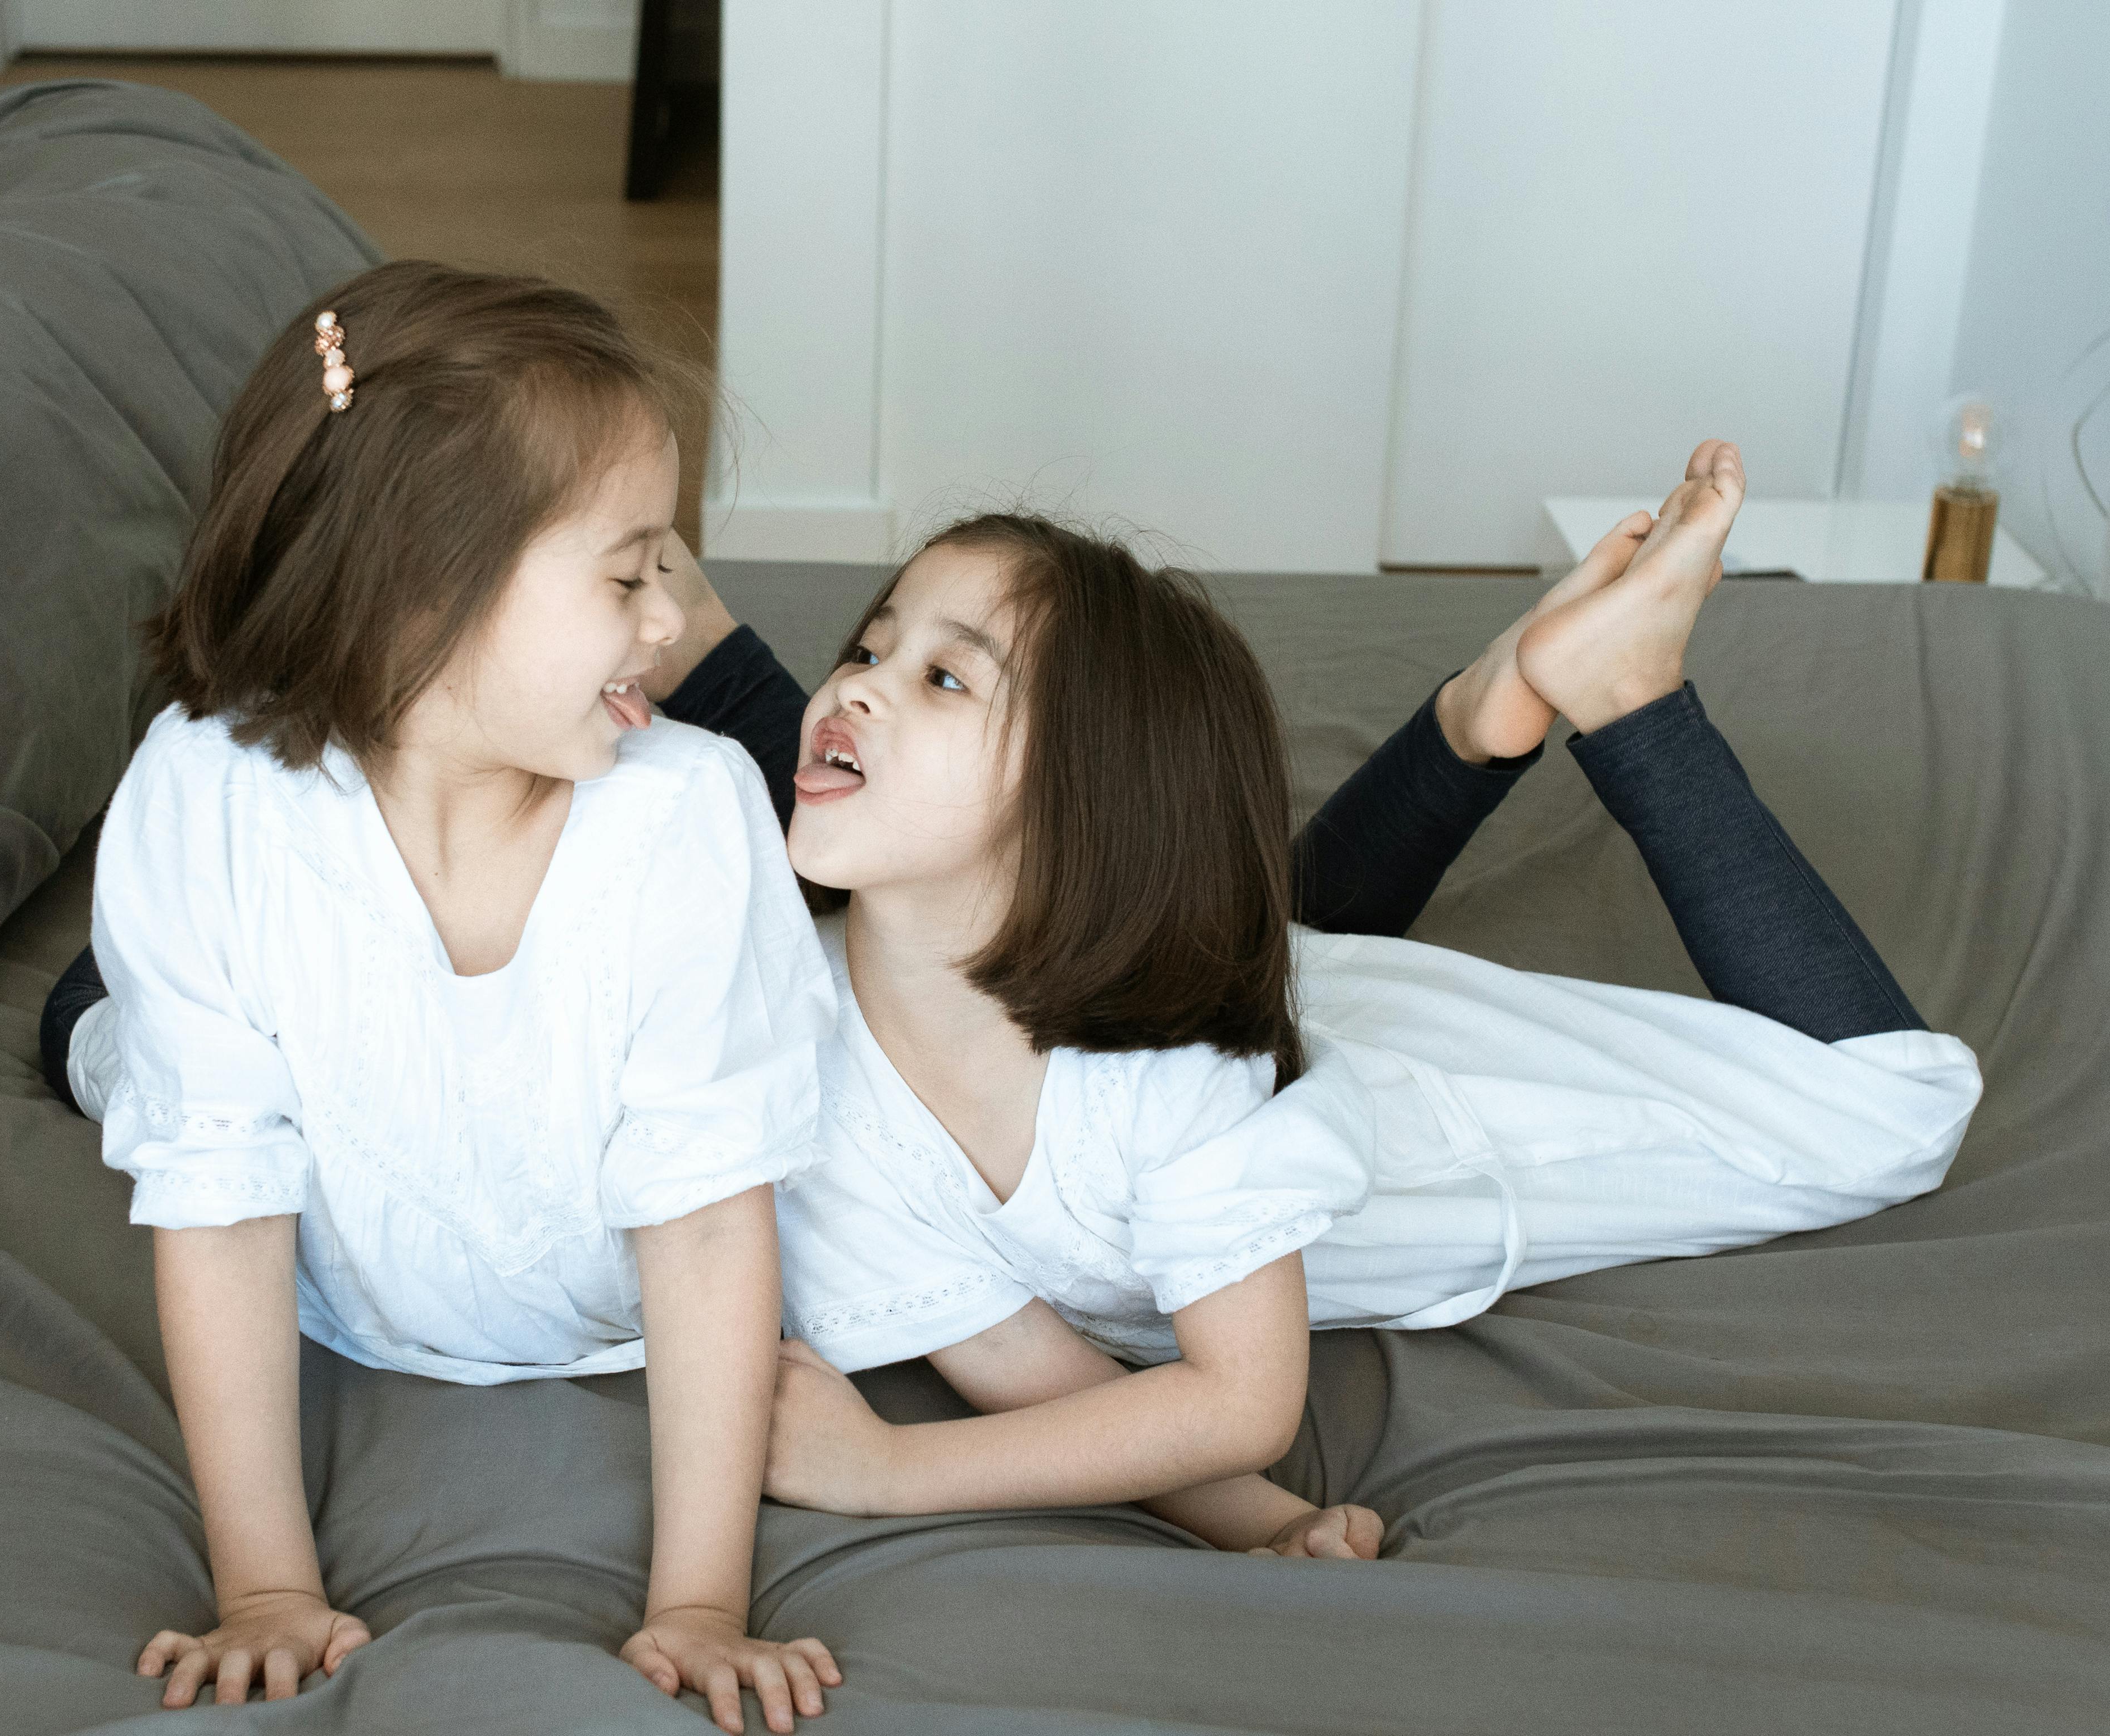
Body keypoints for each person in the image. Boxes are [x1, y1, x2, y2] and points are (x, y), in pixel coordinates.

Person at [732, 444, 1982, 1558]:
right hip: (1218, 1003)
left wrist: (890, 1470)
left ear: (1077, 805)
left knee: (1893, 1112)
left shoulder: (1163, 1073)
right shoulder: (809, 1057)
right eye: (870, 643)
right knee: (1269, 936)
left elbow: (1241, 1399)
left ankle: (1624, 694)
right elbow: (1021, 1361)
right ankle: (1477, 715)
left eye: (946, 680)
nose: (852, 686)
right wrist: (1265, 1525)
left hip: (1408, 1133)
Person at [55, 261, 842, 1734]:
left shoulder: (688, 816)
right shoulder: (204, 797)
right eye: (627, 575)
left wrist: (700, 1606)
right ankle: (103, 1021)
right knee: (138, 1062)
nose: (672, 619)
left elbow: (709, 1221)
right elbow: (221, 1216)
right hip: (351, 1219)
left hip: (569, 1245)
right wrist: (266, 1586)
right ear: (423, 581)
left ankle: (115, 1020)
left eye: (668, 565)